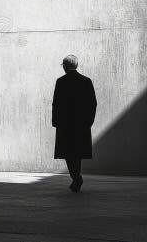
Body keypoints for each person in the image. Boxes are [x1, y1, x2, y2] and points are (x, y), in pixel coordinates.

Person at [52, 54, 97, 192]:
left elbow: (56, 103)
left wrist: (55, 121)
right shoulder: (86, 81)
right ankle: (76, 177)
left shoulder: (61, 81)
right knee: (77, 152)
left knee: (68, 152)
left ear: (65, 66)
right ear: (76, 65)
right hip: (81, 124)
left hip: (65, 124)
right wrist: (89, 121)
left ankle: (76, 177)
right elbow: (93, 103)